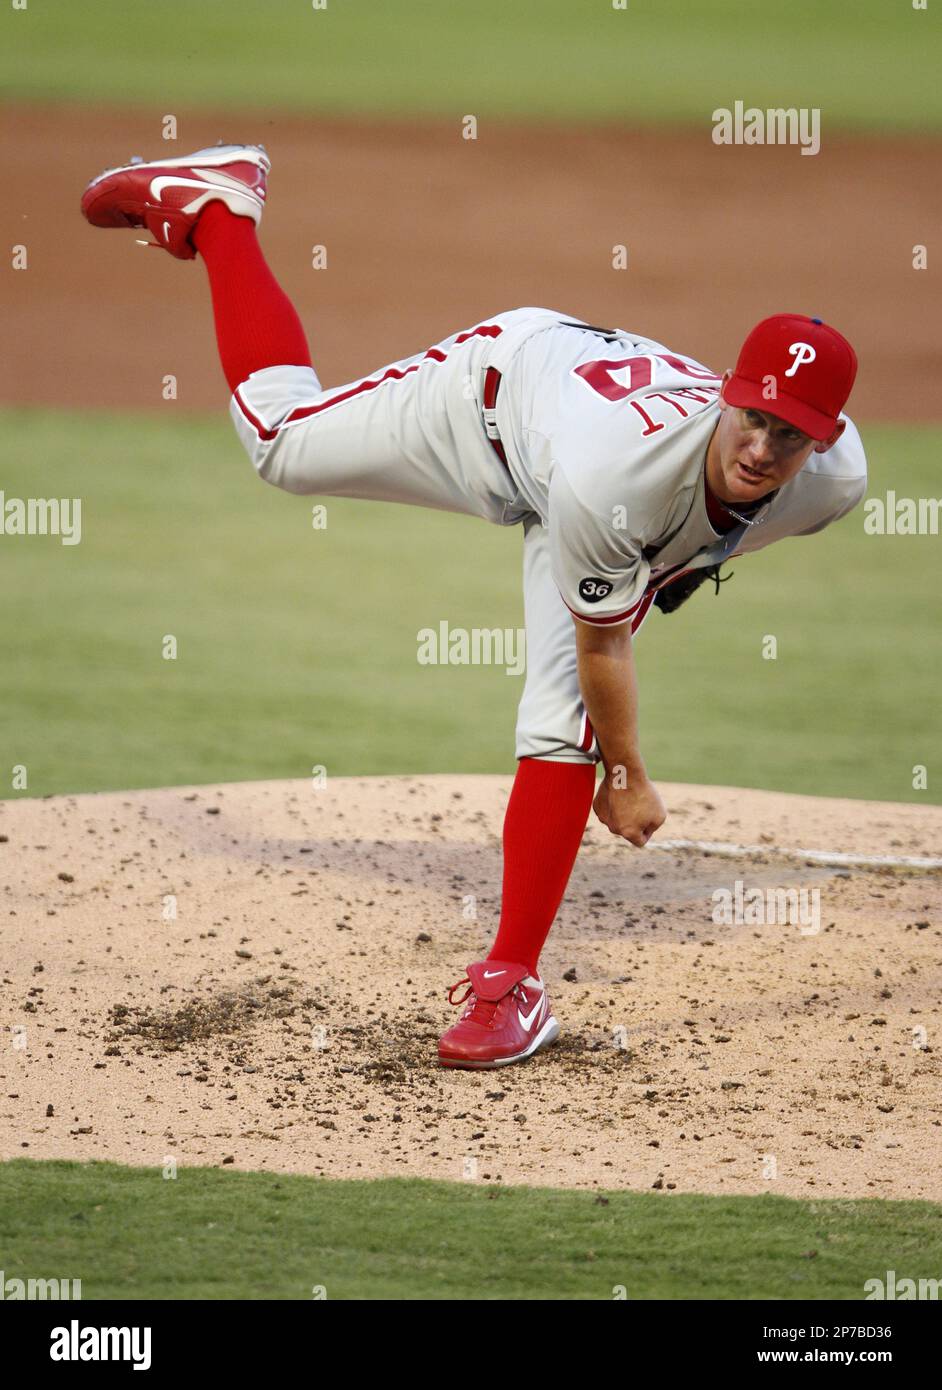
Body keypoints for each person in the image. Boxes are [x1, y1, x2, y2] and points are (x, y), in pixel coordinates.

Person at [82, 143, 866, 1070]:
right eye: (755, 418)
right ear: (730, 399)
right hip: (498, 400)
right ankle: (217, 209)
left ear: (826, 441)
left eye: (793, 435)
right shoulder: (615, 476)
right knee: (283, 445)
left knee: (564, 715)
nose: (765, 448)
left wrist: (660, 579)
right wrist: (627, 775)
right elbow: (606, 645)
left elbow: (695, 546)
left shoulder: (834, 484)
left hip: (589, 470)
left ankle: (508, 983)